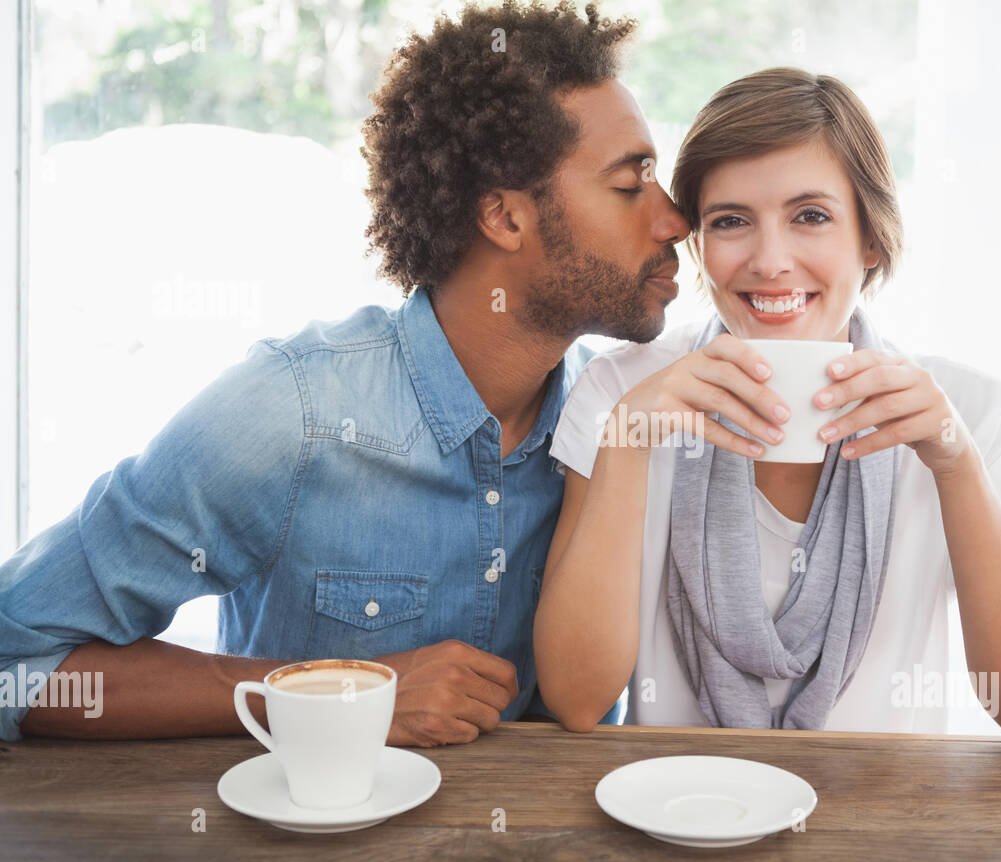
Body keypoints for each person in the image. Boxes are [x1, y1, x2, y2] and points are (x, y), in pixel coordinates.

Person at [0, 0, 689, 745]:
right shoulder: (292, 411)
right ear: (505, 218)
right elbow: (20, 661)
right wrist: (335, 695)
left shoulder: (618, 426)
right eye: (630, 185)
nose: (674, 219)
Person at [534, 67, 1001, 748]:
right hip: (677, 821)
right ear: (698, 246)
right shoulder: (623, 393)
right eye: (731, 222)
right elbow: (577, 700)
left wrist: (956, 464)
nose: (769, 261)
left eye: (810, 217)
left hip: (881, 830)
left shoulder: (970, 408)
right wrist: (627, 445)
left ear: (871, 238)